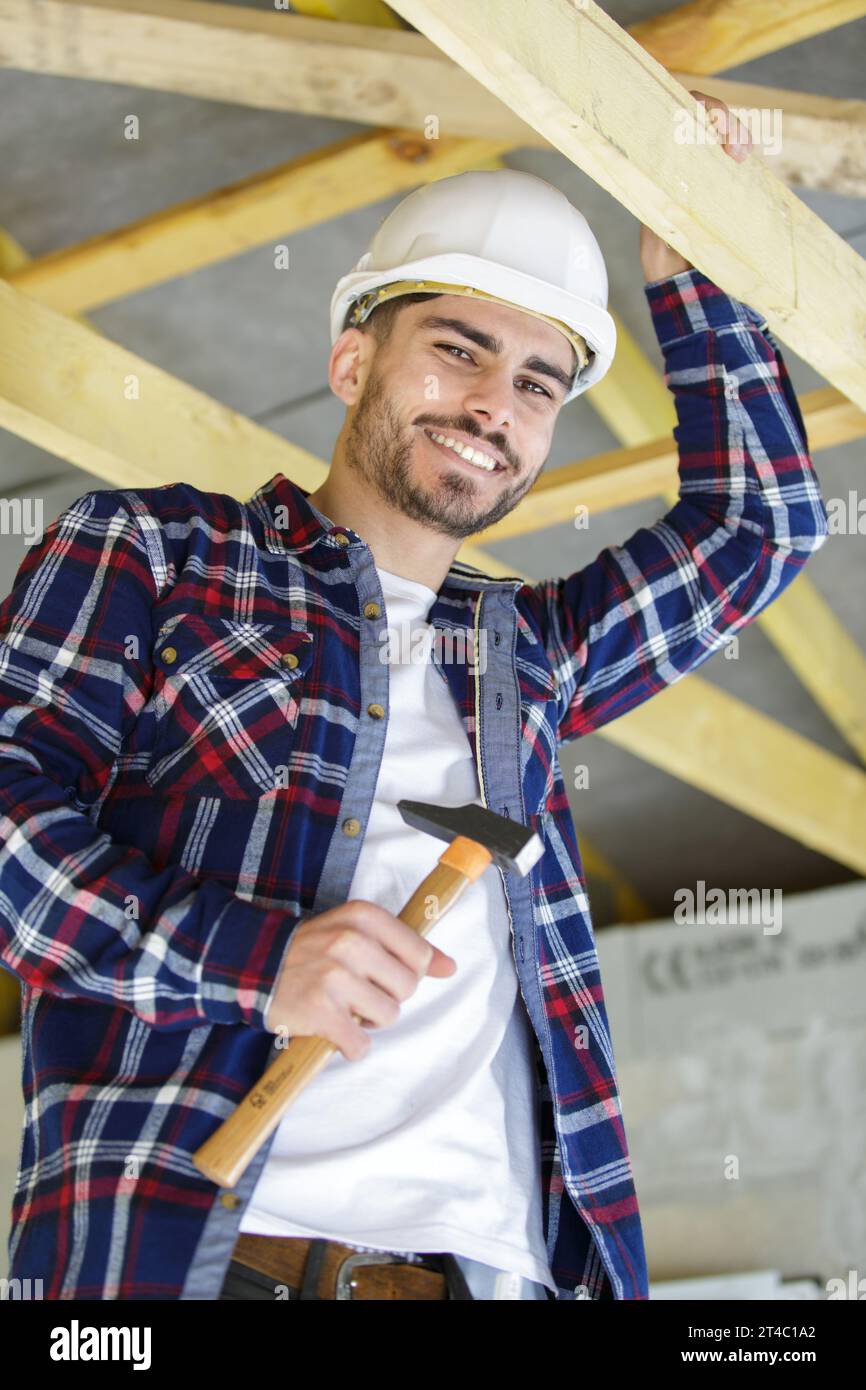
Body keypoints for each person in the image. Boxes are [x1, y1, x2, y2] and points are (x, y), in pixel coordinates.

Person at [0, 97, 827, 1301]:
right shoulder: (156, 553)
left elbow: (760, 522)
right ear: (351, 361)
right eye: (457, 348)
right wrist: (253, 962)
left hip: (485, 1272)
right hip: (193, 1259)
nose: (497, 404)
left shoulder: (523, 654)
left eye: (541, 384)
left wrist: (694, 269)